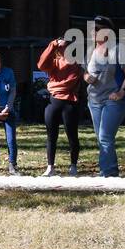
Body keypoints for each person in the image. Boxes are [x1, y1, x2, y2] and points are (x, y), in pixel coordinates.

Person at [83, 17, 125, 178]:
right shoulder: (89, 50)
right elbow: (84, 71)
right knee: (101, 138)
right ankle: (108, 170)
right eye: (92, 28)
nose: (94, 31)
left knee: (105, 136)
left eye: (97, 28)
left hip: (114, 99)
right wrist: (85, 77)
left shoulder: (118, 49)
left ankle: (108, 173)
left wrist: (121, 92)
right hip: (94, 100)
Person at [36, 34, 85, 176]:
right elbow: (41, 65)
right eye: (63, 45)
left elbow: (71, 80)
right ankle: (50, 167)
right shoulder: (54, 62)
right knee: (51, 135)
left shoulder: (77, 63)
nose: (65, 48)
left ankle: (73, 166)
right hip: (54, 101)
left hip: (70, 102)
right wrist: (54, 44)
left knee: (72, 135)